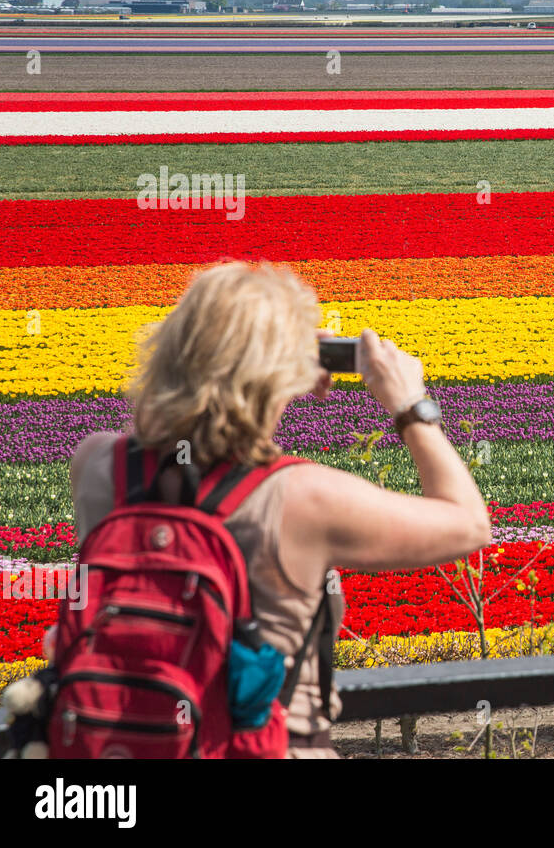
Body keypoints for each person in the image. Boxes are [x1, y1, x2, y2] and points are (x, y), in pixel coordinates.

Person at [67, 261, 491, 758]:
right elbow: (469, 524)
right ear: (279, 374)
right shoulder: (303, 499)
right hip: (270, 745)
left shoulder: (98, 465)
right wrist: (409, 406)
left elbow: (190, 452)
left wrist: (276, 377)